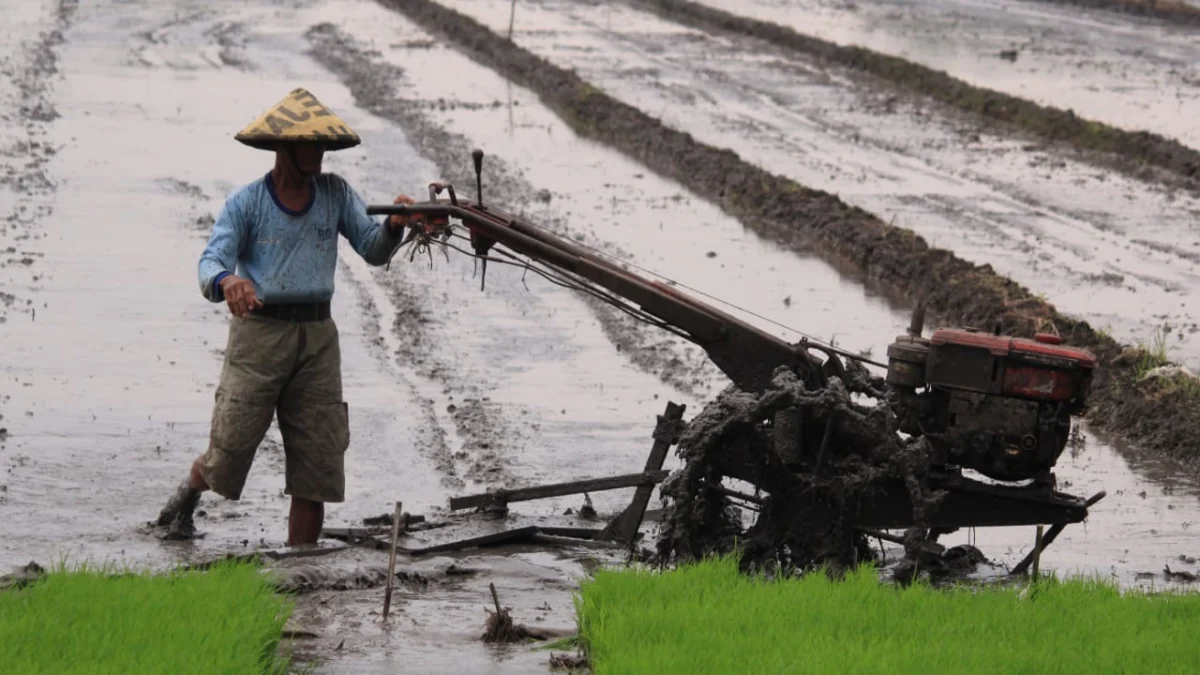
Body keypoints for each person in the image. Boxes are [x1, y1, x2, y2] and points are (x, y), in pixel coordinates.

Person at [155, 88, 422, 545]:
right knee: (230, 450)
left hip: (318, 338)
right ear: (283, 147)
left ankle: (302, 568)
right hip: (259, 338)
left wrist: (394, 227)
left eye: (323, 144)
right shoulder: (247, 204)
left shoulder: (335, 193)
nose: (318, 153)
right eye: (309, 144)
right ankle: (189, 491)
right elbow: (209, 264)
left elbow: (372, 249)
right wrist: (227, 282)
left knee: (317, 462)